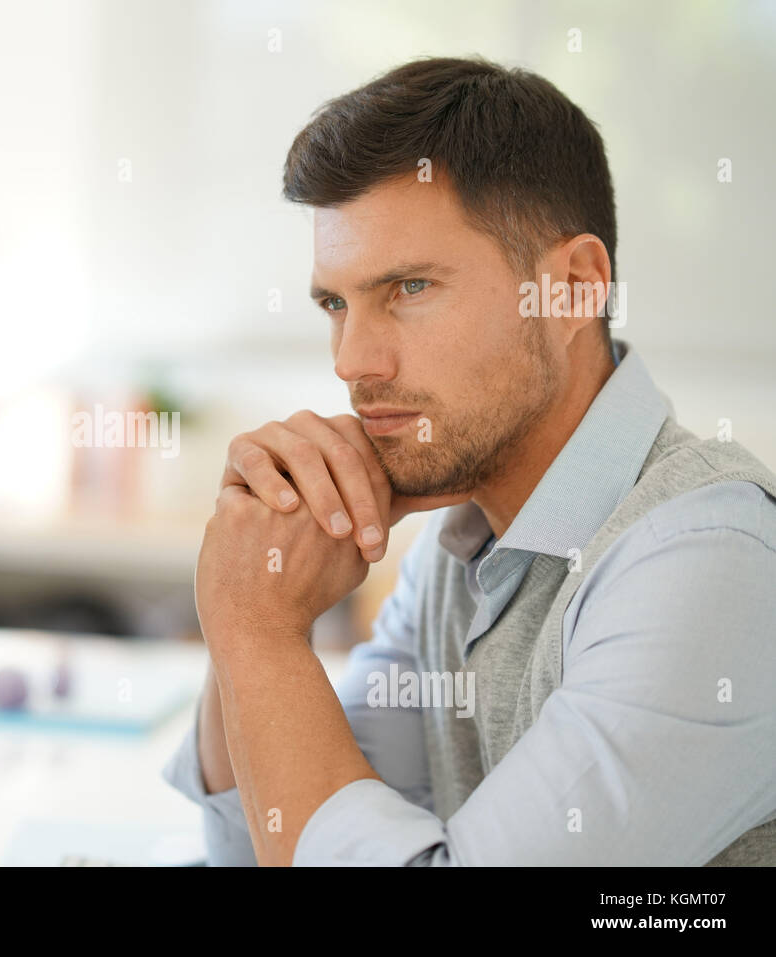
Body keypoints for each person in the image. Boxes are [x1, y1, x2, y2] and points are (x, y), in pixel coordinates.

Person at [164, 56, 776, 866]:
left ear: (572, 287)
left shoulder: (707, 563)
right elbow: (265, 847)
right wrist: (253, 588)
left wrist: (258, 632)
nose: (352, 361)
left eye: (409, 288)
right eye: (335, 304)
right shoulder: (464, 552)